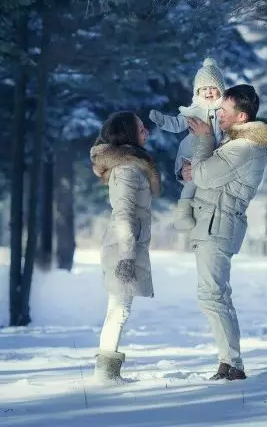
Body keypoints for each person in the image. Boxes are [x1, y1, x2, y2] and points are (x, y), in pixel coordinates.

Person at [183, 85, 267, 381]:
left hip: (218, 225)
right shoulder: (238, 143)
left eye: (224, 111)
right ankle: (229, 363)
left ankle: (232, 364)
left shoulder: (244, 146)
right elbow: (201, 174)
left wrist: (203, 141)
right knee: (214, 295)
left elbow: (202, 175)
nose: (218, 115)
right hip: (214, 223)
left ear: (241, 116)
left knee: (213, 296)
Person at [90, 111, 160, 383]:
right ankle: (106, 375)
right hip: (122, 249)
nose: (147, 132)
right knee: (119, 310)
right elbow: (123, 214)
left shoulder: (132, 166)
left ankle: (106, 372)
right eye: (141, 128)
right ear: (129, 133)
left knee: (117, 309)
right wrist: (127, 257)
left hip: (125, 247)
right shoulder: (128, 169)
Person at [149, 57, 226, 231]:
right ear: (197, 92)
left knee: (208, 185)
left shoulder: (225, 111)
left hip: (214, 154)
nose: (208, 92)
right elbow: (177, 124)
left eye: (213, 88)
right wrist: (162, 121)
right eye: (203, 88)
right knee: (191, 181)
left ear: (221, 90)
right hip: (193, 152)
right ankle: (183, 214)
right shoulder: (194, 110)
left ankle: (206, 215)